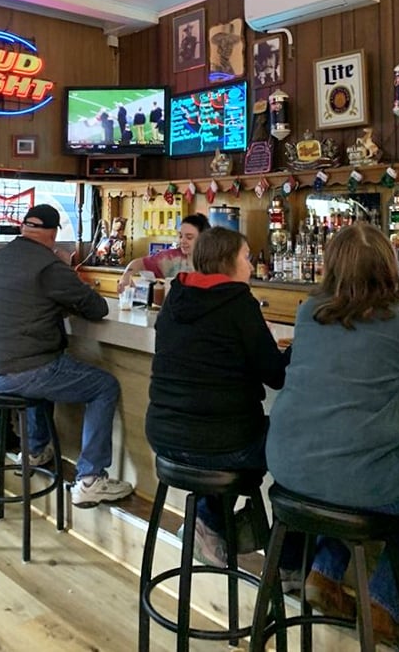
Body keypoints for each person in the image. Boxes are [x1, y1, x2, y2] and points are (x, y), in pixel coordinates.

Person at [266, 223, 399, 647]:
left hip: (288, 470)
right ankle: (383, 604)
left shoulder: (309, 313)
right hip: (358, 479)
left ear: (331, 267)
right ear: (388, 269)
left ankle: (324, 574)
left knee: (346, 476)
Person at [0, 203, 134, 508]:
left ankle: (34, 449)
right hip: (20, 372)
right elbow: (97, 308)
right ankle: (90, 480)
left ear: (24, 227)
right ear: (53, 233)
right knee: (103, 386)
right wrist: (65, 273)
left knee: (38, 373)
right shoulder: (49, 266)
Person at [146, 227, 290, 565]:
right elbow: (277, 375)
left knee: (223, 434)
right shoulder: (238, 303)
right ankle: (288, 562)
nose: (251, 266)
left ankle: (206, 523)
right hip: (224, 445)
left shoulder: (175, 297)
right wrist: (302, 347)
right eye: (246, 258)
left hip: (163, 436)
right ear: (228, 261)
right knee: (291, 439)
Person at [117, 213, 210, 292]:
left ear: (203, 238)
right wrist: (126, 277)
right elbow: (138, 263)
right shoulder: (171, 258)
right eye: (181, 236)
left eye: (189, 237)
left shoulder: (213, 263)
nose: (182, 241)